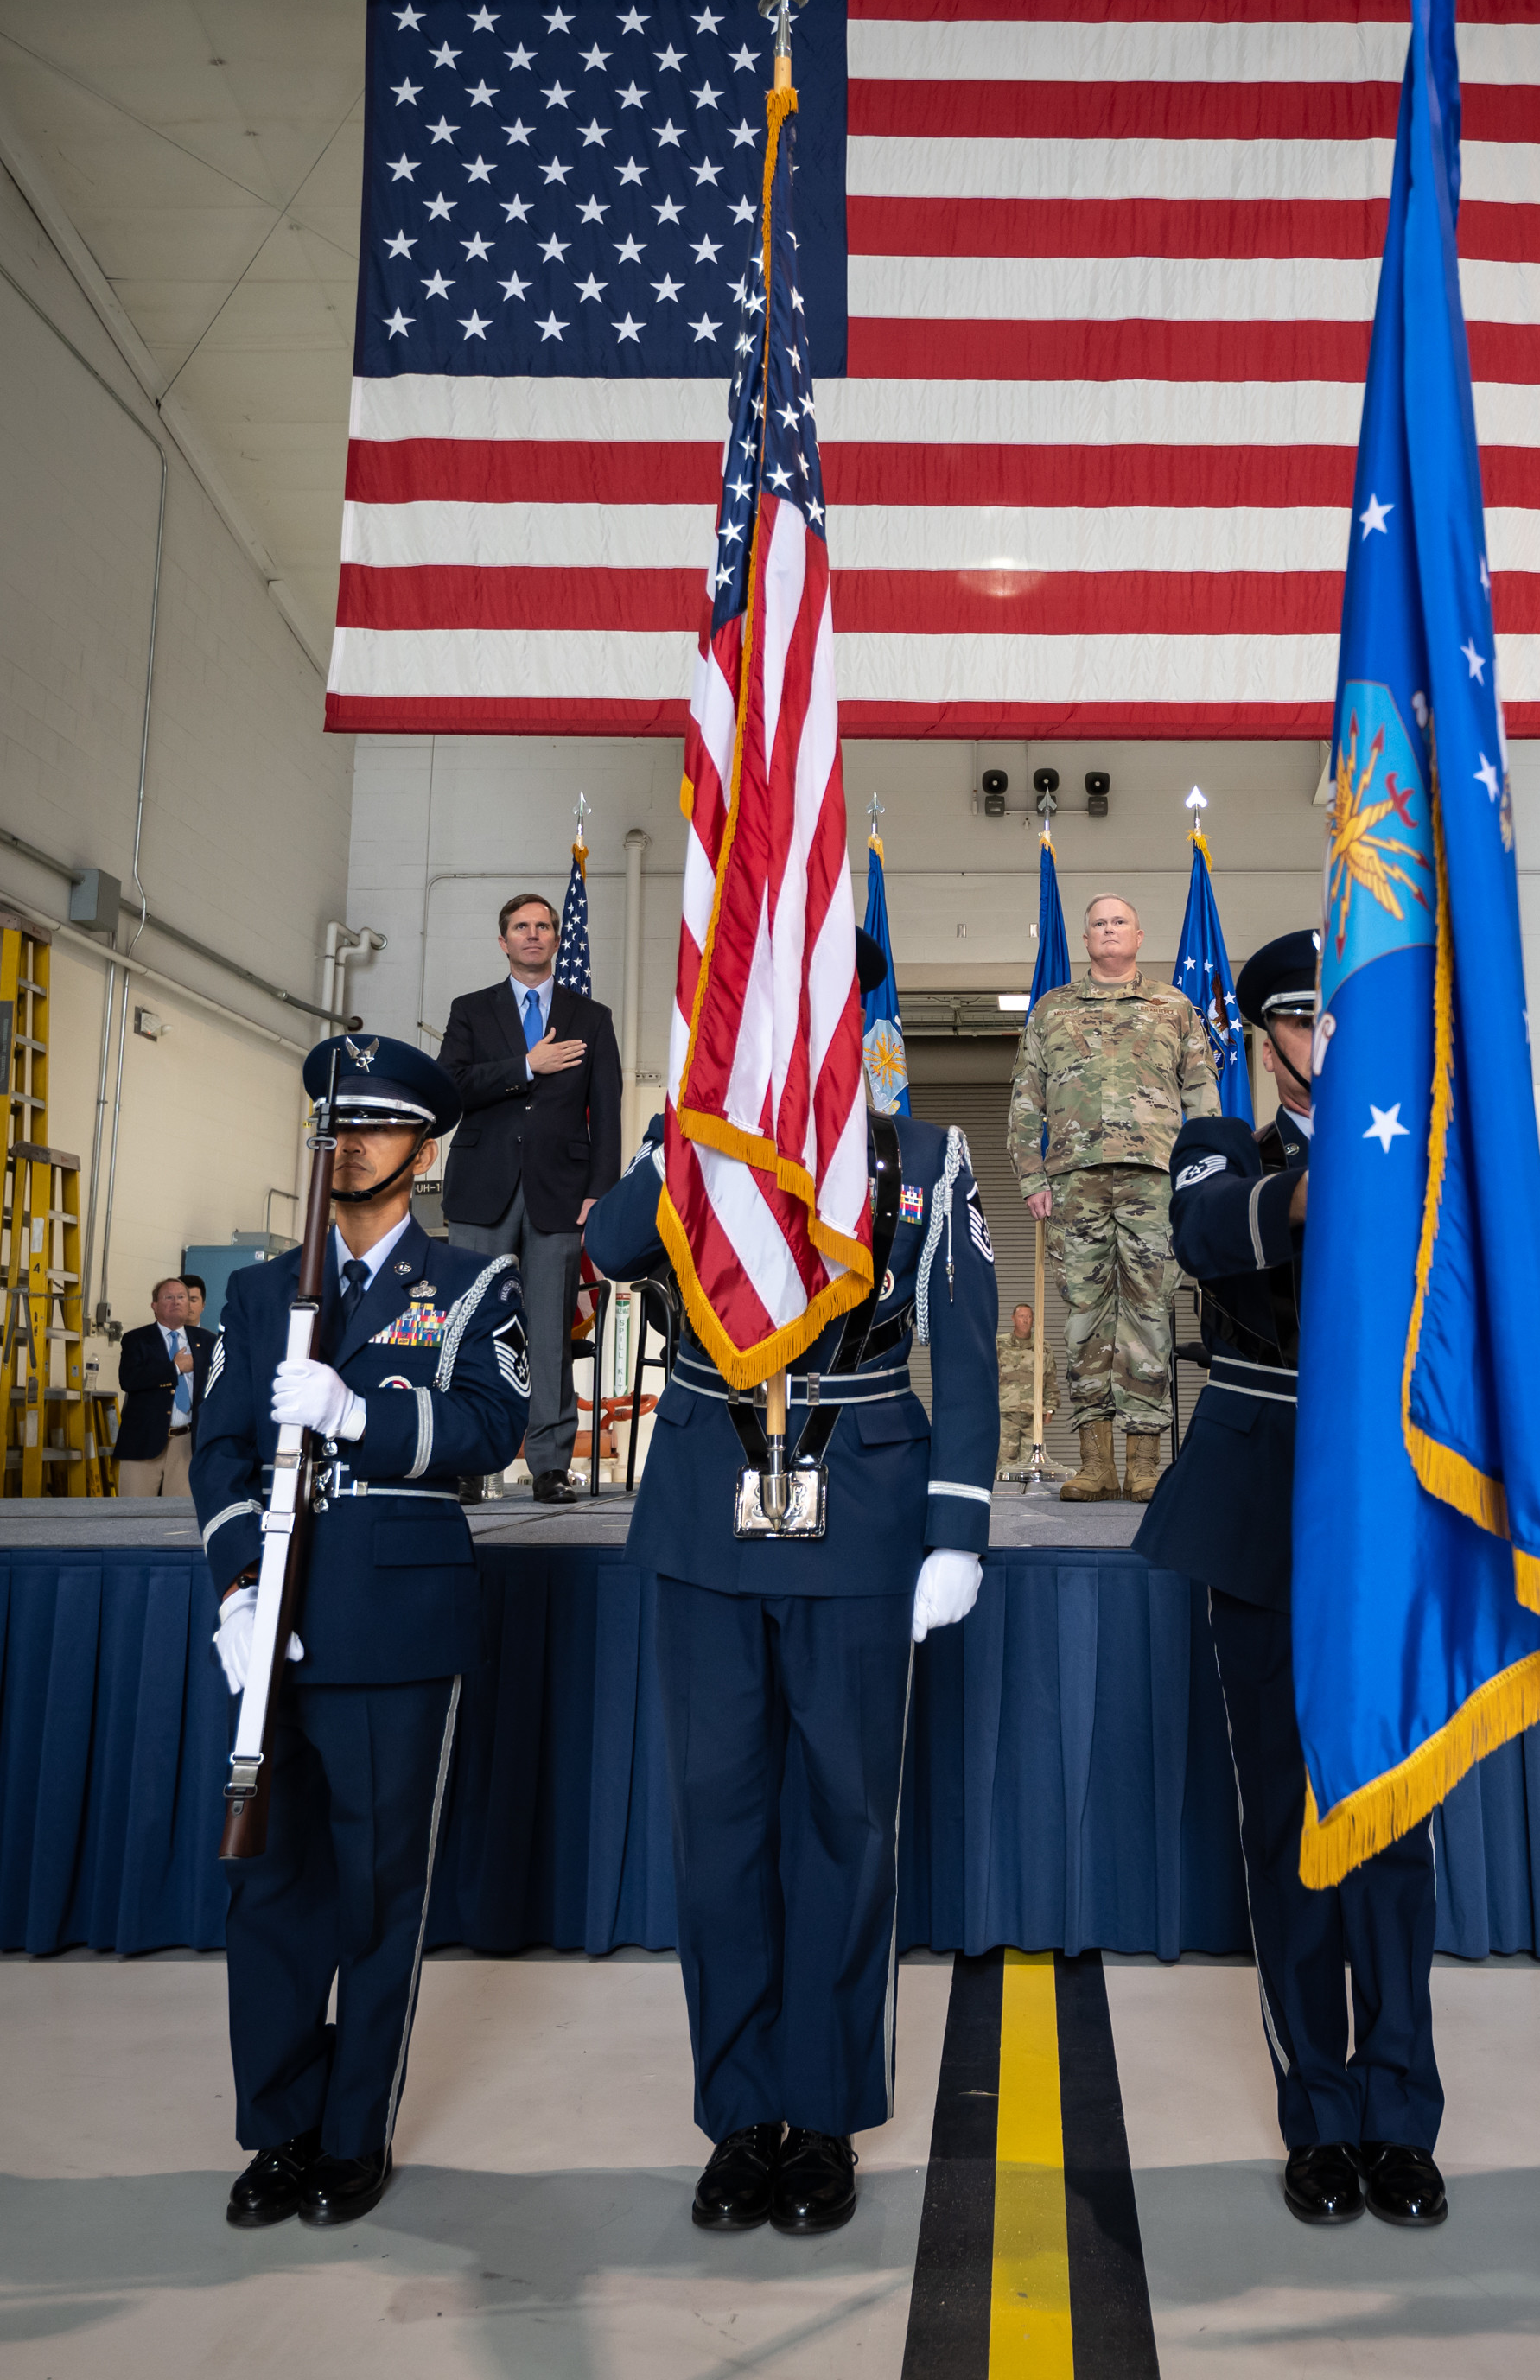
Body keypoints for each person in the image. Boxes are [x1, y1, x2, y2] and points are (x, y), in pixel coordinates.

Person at [583, 928, 997, 2240]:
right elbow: (604, 1243)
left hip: (864, 1513)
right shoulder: (697, 1141)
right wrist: (687, 1140)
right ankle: (738, 2114)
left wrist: (957, 1528)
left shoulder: (918, 1157)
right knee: (719, 1833)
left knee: (845, 1827)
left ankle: (818, 2113)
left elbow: (971, 1343)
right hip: (710, 1508)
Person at [1134, 930, 1448, 2232]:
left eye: (1356, 1017)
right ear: (1268, 1033)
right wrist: (1342, 1177)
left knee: (1398, 1825)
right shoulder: (1227, 1142)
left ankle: (1402, 2114)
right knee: (1285, 1825)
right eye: (1312, 1021)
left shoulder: (1438, 1146)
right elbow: (1206, 1237)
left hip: (1402, 1497)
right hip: (1264, 1496)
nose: (1334, 1041)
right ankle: (1317, 2111)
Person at [191, 1035, 530, 2232]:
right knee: (269, 1888)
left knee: (380, 1890)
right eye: (338, 1127)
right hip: (271, 1631)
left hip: (393, 1620)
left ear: (422, 1149)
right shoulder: (258, 1289)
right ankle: (278, 2128)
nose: (353, 1146)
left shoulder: (472, 1282)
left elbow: (495, 1423)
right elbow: (221, 1452)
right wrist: (238, 1587)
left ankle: (352, 2134)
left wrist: (363, 1415)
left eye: (379, 1128)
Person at [1008, 892, 1219, 1504]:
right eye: (1098, 923)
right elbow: (1026, 1098)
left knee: (1149, 1315)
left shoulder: (1173, 1006)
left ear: (1139, 935)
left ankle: (1146, 1463)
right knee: (1085, 1321)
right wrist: (1030, 1178)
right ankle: (1096, 1464)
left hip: (1156, 1180)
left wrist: (1205, 1177)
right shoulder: (1053, 1009)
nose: (1108, 930)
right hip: (1074, 1181)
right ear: (1086, 938)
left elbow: (1202, 1093)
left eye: (1119, 921)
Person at [437, 891, 622, 1504]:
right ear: (504, 941)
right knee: (467, 1327)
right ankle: (464, 1460)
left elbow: (610, 1110)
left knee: (549, 1335)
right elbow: (452, 1089)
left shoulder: (591, 1017)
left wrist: (602, 1189)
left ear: (556, 938)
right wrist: (527, 1063)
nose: (534, 935)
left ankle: (548, 1465)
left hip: (561, 1195)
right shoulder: (470, 1010)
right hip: (480, 1190)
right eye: (522, 926)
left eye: (544, 925)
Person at [113, 1276, 201, 1495]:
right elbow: (129, 1380)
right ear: (155, 1306)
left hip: (187, 1443)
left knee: (179, 1517)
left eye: (182, 1297)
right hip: (143, 1441)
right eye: (168, 1297)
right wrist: (175, 1368)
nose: (177, 1302)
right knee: (135, 1514)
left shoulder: (205, 1341)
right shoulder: (137, 1339)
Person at [996, 1301, 1059, 1470]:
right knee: (1005, 1462)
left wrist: (1051, 1407)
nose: (1025, 1320)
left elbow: (1051, 1378)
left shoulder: (1042, 1346)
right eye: (1021, 1316)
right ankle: (1006, 1496)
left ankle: (1028, 1496)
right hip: (1006, 1413)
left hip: (1033, 1414)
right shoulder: (999, 1344)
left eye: (1029, 1317)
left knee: (1032, 1463)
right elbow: (986, 1377)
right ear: (1013, 1319)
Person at [181, 1274, 219, 1397]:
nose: (189, 1305)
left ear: (203, 1305)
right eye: (183, 1299)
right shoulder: (159, 1340)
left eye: (193, 1300)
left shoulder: (214, 1344)